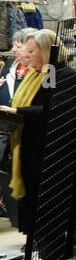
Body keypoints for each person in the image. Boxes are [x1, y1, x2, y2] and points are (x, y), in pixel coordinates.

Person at [0, 29, 76, 257]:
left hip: (51, 160)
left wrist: (17, 111)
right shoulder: (38, 74)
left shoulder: (55, 74)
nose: (26, 55)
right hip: (32, 157)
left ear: (46, 51)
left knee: (48, 218)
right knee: (39, 219)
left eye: (31, 50)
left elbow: (51, 110)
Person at [0, 30, 36, 224]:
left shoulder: (46, 70)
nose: (13, 50)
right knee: (6, 176)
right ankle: (18, 222)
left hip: (27, 132)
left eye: (18, 46)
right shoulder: (8, 67)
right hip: (6, 130)